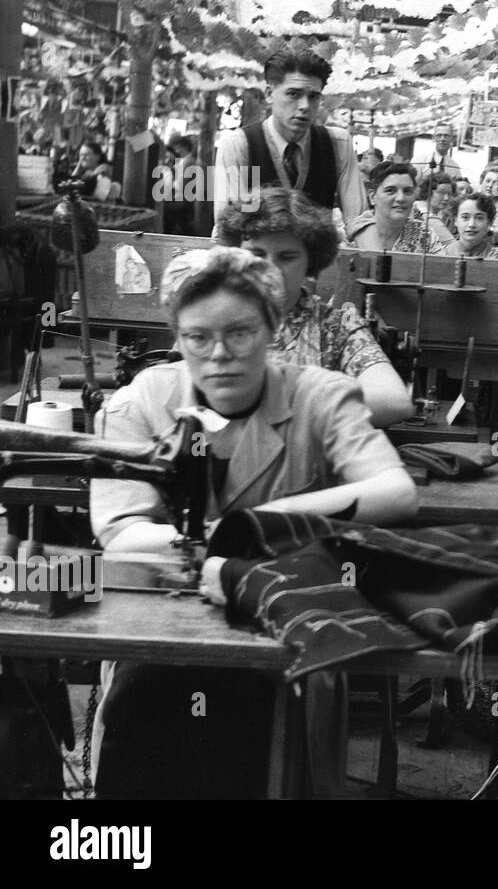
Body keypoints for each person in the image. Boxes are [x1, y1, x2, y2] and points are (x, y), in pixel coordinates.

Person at [90, 247, 417, 798]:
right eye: (197, 338)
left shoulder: (319, 394)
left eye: (240, 333)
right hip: (163, 625)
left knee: (258, 731)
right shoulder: (146, 399)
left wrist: (254, 524)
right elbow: (121, 533)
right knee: (144, 711)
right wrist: (230, 541)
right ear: (178, 338)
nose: (219, 355)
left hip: (279, 620)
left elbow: (396, 491)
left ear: (273, 327)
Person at [216, 187, 413, 428]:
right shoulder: (213, 318)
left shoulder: (336, 328)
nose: (269, 268)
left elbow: (395, 401)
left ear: (310, 261)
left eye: (287, 257)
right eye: (256, 253)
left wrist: (292, 405)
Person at [213, 49, 376, 248]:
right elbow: (228, 231)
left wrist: (379, 264)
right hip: (255, 270)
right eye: (293, 94)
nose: (305, 106)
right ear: (269, 94)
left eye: (313, 96)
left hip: (316, 271)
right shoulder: (239, 145)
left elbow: (359, 220)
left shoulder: (338, 143)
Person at [366, 160, 453, 252]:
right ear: (372, 197)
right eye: (390, 191)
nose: (401, 198)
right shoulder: (353, 235)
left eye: (407, 191)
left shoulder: (424, 236)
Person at [432, 193, 498, 260]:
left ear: (489, 222)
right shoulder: (443, 255)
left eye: (479, 218)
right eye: (465, 217)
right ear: (455, 220)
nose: (471, 224)